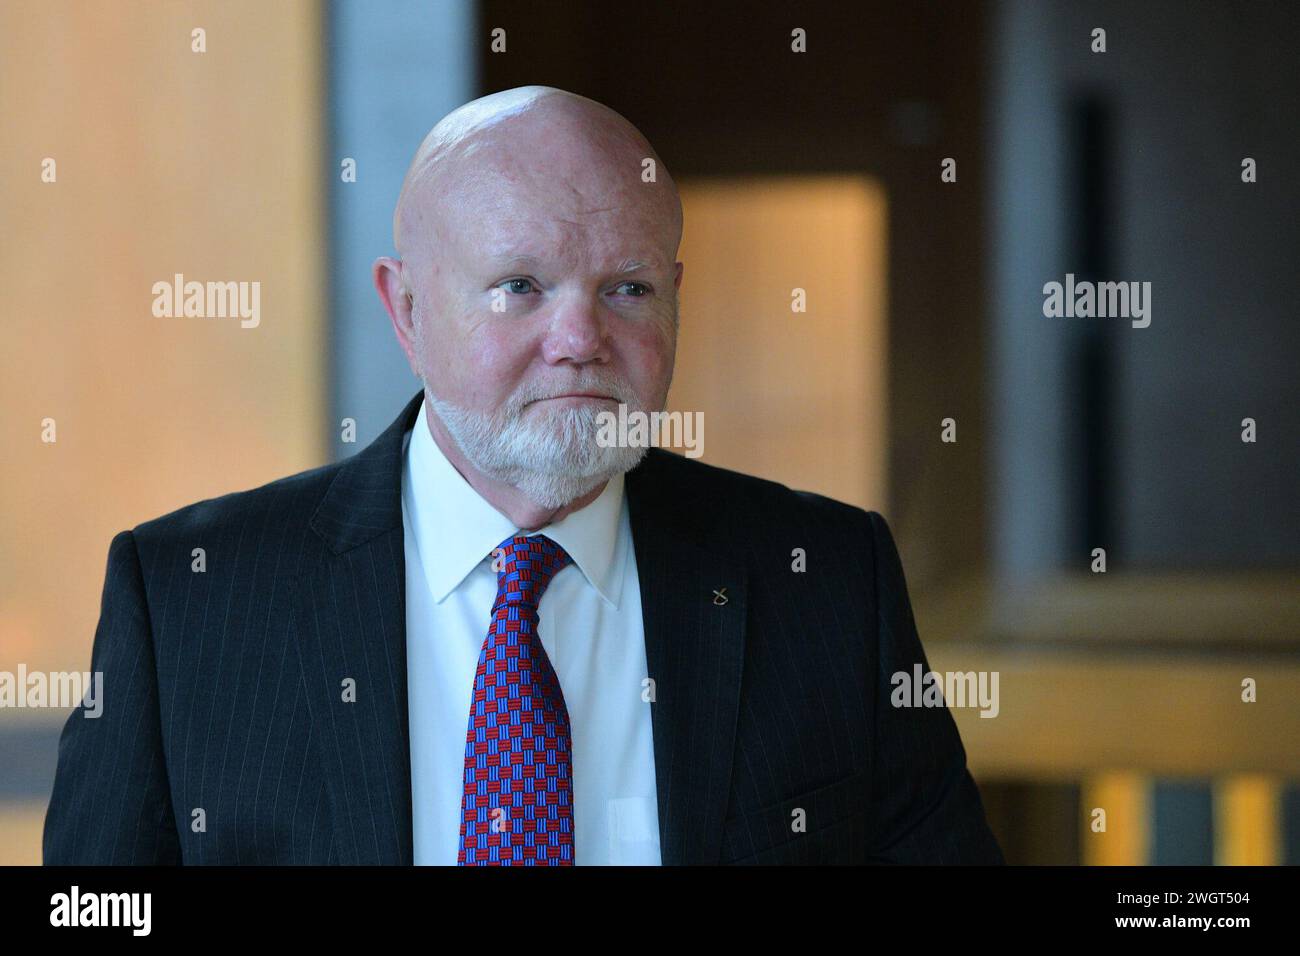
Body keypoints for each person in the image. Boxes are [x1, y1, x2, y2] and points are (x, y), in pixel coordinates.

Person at [43, 86, 1003, 865]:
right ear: (407, 310)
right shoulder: (189, 603)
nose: (582, 340)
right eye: (519, 287)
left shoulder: (828, 579)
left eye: (629, 288)